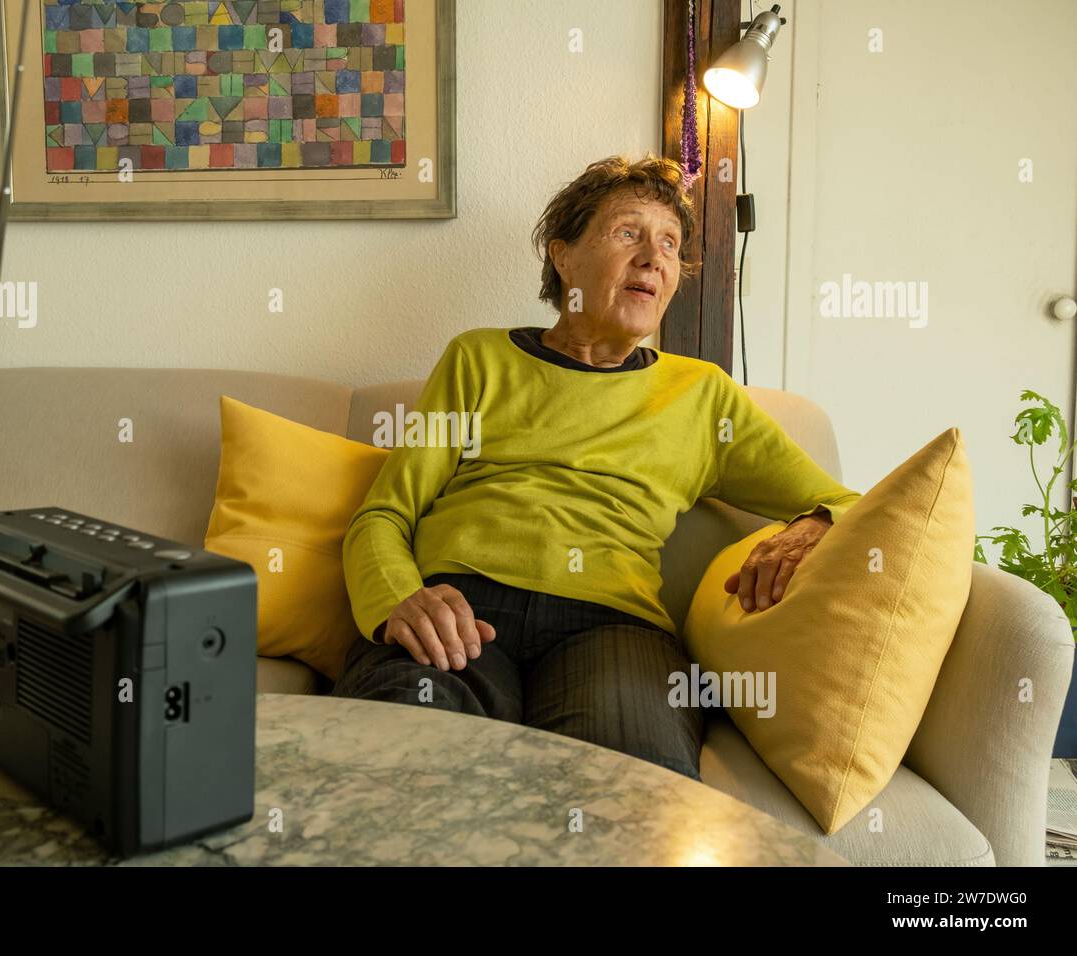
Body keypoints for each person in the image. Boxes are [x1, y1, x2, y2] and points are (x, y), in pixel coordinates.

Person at [331, 153, 861, 781]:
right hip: (461, 607)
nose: (654, 259)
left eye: (669, 244)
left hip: (613, 629)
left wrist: (814, 523)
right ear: (564, 256)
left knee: (632, 786)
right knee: (395, 754)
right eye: (628, 233)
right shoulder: (477, 359)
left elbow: (853, 503)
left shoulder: (702, 395)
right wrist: (402, 599)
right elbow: (385, 515)